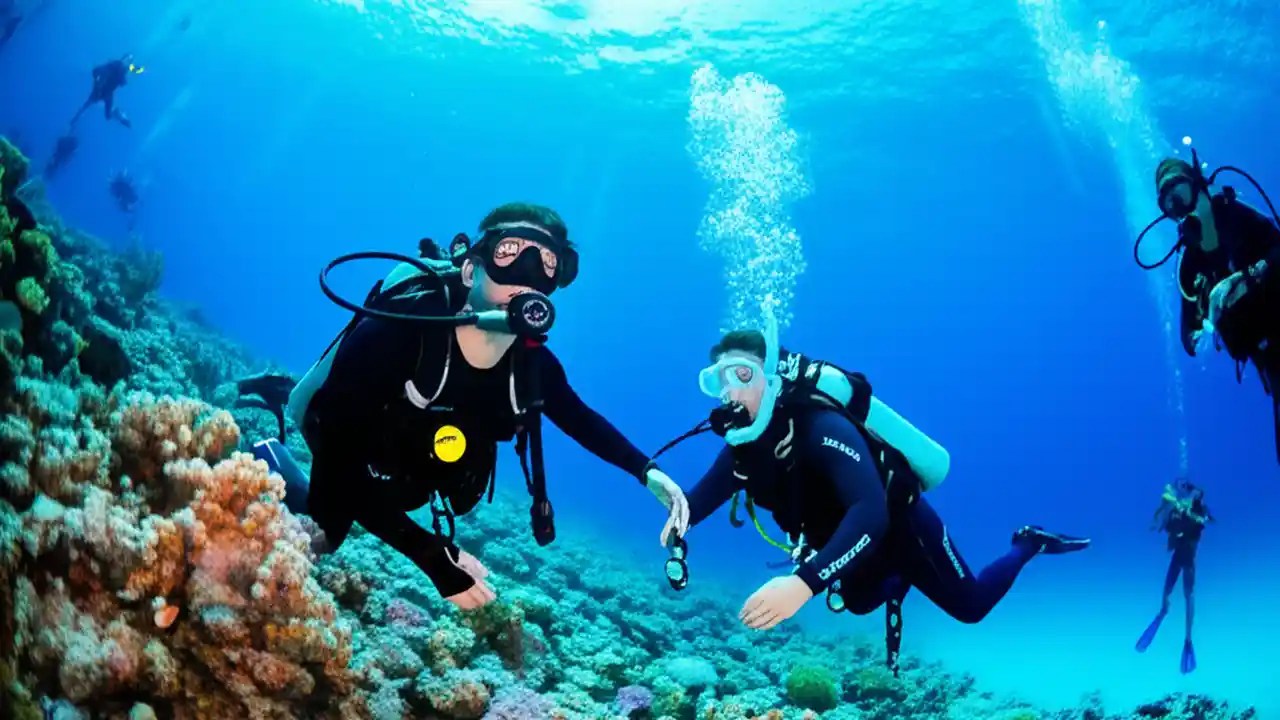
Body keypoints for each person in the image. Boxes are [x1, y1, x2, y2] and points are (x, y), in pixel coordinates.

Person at [240, 203, 690, 611]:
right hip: (352, 448)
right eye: (511, 251)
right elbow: (341, 455)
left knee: (392, 498)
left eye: (547, 262)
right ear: (471, 271)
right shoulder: (396, 334)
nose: (527, 274)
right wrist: (433, 556)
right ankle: (270, 452)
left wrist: (648, 472)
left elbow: (578, 417)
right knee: (320, 535)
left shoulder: (533, 366)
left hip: (417, 469)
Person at [653, 304, 1090, 675]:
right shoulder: (742, 452)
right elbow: (697, 501)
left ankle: (1027, 543)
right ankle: (896, 583)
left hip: (903, 528)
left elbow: (871, 511)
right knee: (859, 603)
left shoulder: (818, 426)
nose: (730, 391)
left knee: (971, 607)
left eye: (742, 374)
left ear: (773, 377)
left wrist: (802, 584)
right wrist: (675, 512)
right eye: (720, 380)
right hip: (848, 544)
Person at [1134, 146, 1280, 461]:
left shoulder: (1235, 213)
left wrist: (1251, 277)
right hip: (1270, 359)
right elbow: (1187, 338)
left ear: (1197, 183)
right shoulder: (1188, 263)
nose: (1178, 205)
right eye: (1169, 202)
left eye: (1180, 191)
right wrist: (1206, 323)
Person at [1135, 479, 1214, 674]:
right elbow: (1164, 525)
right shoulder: (1178, 507)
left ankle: (1188, 638)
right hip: (1178, 556)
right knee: (1167, 590)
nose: (1186, 492)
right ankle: (1163, 611)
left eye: (1190, 489)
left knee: (1189, 595)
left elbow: (1202, 521)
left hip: (1188, 557)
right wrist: (1164, 516)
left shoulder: (1199, 508)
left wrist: (1186, 512)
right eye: (1184, 488)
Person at [70, 54, 144, 129]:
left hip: (105, 93)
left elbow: (96, 71)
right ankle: (74, 121)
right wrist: (98, 83)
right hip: (101, 92)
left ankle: (74, 121)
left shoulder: (121, 67)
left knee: (101, 112)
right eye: (127, 60)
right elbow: (96, 71)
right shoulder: (111, 66)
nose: (127, 62)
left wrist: (141, 69)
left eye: (129, 61)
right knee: (90, 107)